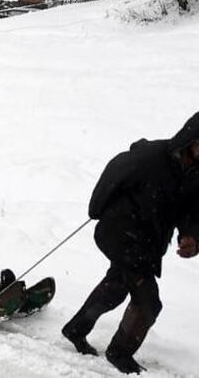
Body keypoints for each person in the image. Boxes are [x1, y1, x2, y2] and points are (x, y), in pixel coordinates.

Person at [62, 113, 199, 374]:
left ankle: (75, 329)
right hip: (121, 233)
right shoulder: (152, 157)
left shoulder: (195, 175)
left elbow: (192, 212)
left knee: (116, 286)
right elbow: (116, 171)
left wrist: (190, 237)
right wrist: (96, 208)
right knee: (148, 302)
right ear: (191, 138)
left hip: (147, 245)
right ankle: (119, 353)